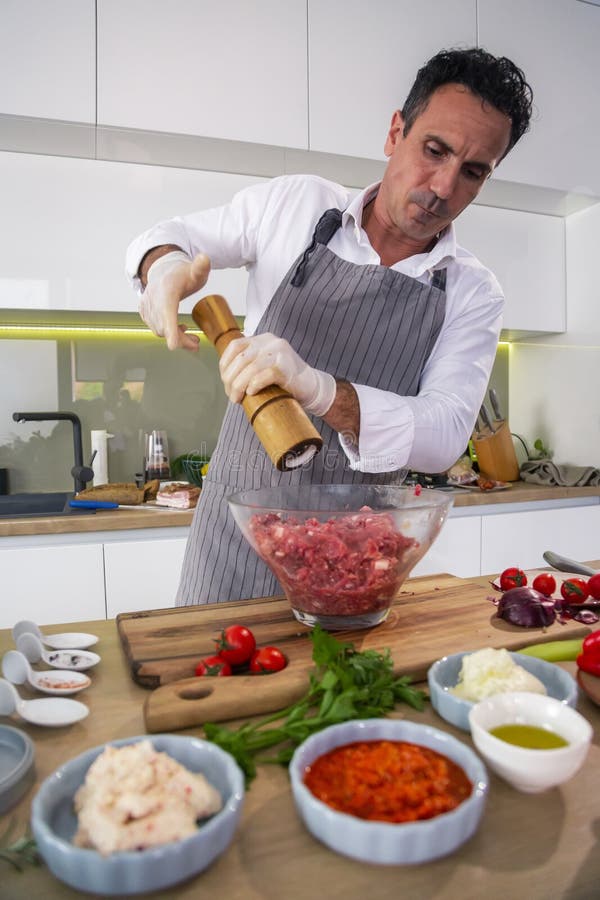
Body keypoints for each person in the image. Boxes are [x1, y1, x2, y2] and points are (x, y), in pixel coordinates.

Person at [126, 47, 533, 606]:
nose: (442, 187)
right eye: (433, 150)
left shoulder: (472, 290)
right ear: (396, 132)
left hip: (357, 559)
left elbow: (442, 437)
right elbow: (170, 233)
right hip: (233, 545)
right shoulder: (297, 206)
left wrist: (315, 388)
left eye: (472, 172)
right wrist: (164, 267)